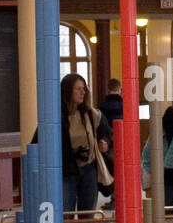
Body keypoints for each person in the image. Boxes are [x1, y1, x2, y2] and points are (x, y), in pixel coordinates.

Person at [43, 72, 111, 213]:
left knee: (88, 212)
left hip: (89, 169)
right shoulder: (55, 117)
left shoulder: (91, 114)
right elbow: (40, 141)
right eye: (78, 89)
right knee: (66, 212)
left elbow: (107, 132)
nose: (82, 92)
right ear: (68, 91)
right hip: (66, 171)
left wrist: (104, 142)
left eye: (84, 88)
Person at [97, 78, 123, 210]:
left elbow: (101, 124)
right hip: (122, 140)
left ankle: (114, 200)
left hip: (108, 142)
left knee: (113, 169)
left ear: (108, 89)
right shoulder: (124, 104)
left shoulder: (103, 105)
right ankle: (119, 200)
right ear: (119, 89)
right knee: (122, 170)